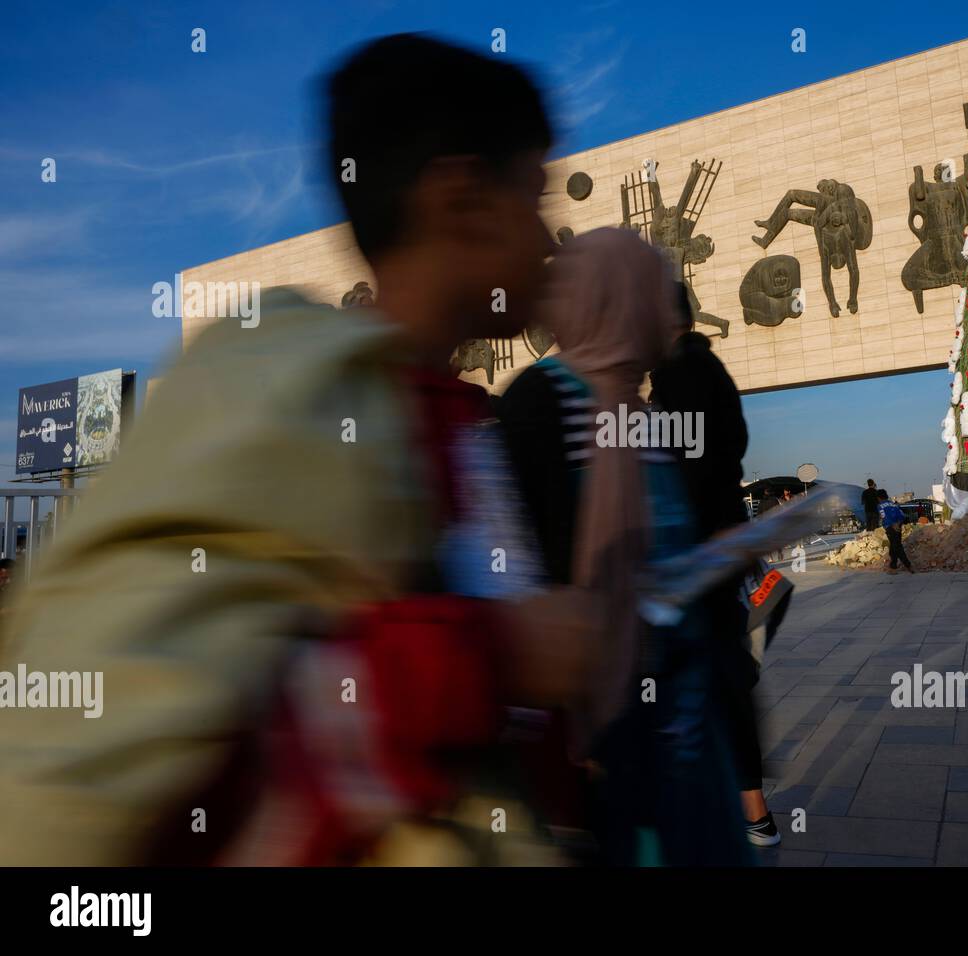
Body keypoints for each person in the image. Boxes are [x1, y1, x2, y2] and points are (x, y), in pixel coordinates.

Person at [0, 34, 602, 866]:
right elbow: (81, 769)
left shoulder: (455, 425)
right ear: (461, 198)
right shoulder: (272, 390)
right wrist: (487, 655)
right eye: (533, 194)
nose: (546, 239)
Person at [497, 228, 752, 866]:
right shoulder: (542, 399)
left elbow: (669, 542)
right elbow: (529, 566)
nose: (661, 314)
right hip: (604, 717)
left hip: (685, 699)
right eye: (646, 294)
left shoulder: (643, 411)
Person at [649, 284, 778, 848]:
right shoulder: (710, 367)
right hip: (719, 545)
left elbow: (687, 463)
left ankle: (738, 809)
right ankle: (749, 806)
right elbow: (730, 445)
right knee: (724, 669)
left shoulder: (680, 372)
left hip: (696, 550)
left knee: (706, 673)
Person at [878, 490, 913, 573]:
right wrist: (898, 523)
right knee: (895, 546)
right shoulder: (893, 504)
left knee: (897, 547)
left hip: (890, 527)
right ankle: (893, 566)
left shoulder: (880, 506)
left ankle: (907, 566)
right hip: (898, 527)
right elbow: (901, 515)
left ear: (878, 498)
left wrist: (892, 525)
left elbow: (884, 517)